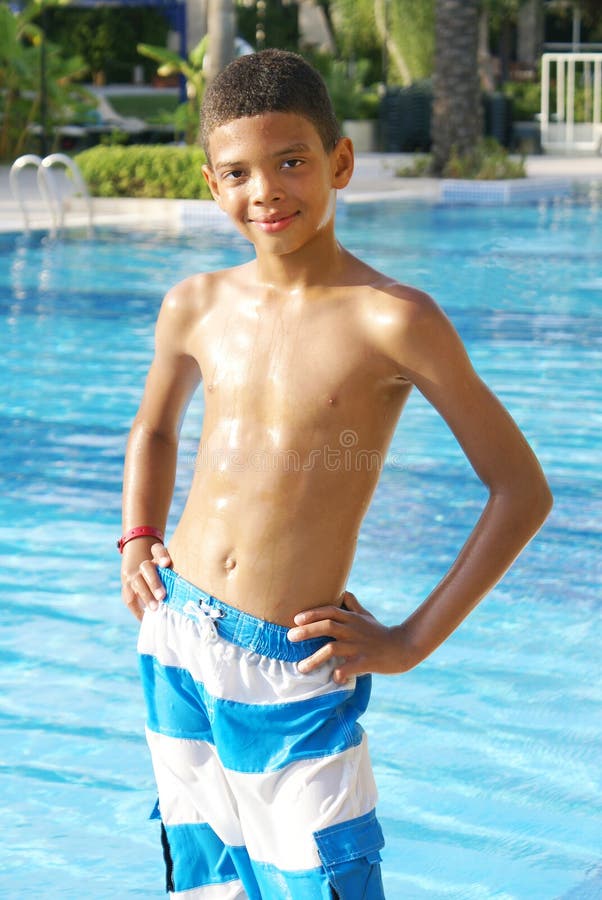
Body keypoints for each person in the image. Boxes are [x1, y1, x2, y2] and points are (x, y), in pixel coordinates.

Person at [120, 49, 552, 900]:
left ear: (340, 163)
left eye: (292, 162)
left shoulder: (392, 319)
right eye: (239, 172)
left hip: (292, 666)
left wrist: (409, 642)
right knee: (206, 877)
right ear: (213, 184)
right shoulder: (195, 303)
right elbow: (155, 426)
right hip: (175, 636)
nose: (267, 192)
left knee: (323, 880)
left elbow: (521, 490)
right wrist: (138, 533)